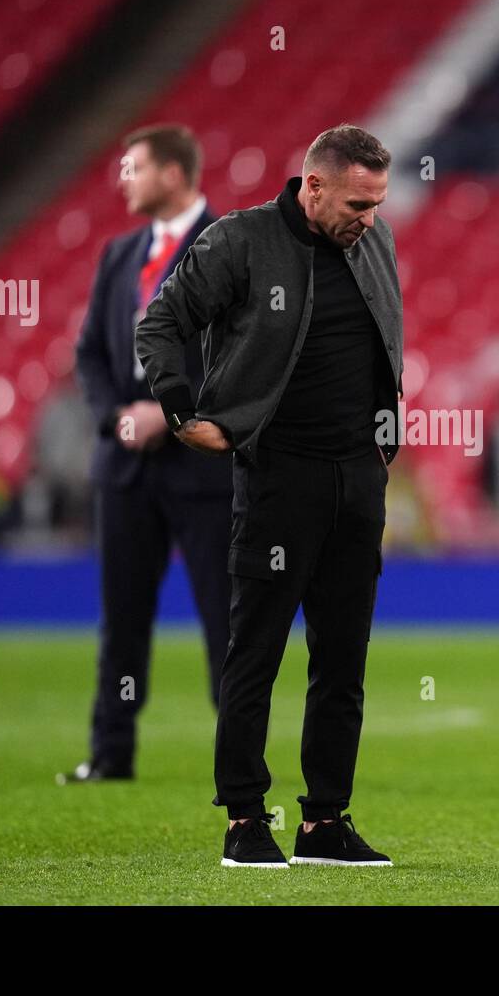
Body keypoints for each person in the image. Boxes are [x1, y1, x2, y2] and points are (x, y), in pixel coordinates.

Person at [136, 124, 404, 867]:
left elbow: (385, 348)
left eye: (378, 203)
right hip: (279, 474)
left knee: (343, 659)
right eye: (357, 202)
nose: (369, 219)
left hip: (358, 478)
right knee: (254, 653)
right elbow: (161, 322)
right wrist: (183, 410)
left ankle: (325, 821)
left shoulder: (373, 242)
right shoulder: (240, 241)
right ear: (311, 186)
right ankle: (245, 820)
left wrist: (384, 443)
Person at [61, 124, 233, 784]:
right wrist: (115, 417)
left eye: (133, 167)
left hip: (202, 464)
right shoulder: (118, 255)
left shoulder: (228, 246)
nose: (123, 179)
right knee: (122, 618)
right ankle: (111, 754)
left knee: (225, 617)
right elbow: (89, 354)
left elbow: (242, 353)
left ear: (171, 173)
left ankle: (237, 763)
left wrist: (171, 412)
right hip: (126, 465)